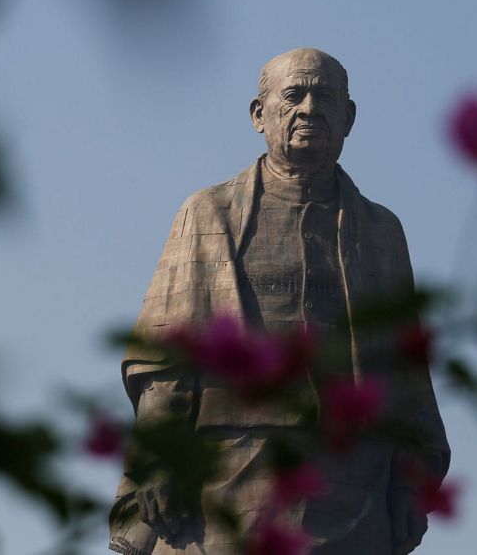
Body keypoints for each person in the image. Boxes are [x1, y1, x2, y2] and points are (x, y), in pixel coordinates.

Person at [109, 48, 449, 555]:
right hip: (225, 475)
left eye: (326, 97)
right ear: (258, 113)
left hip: (350, 478)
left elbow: (407, 371)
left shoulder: (381, 231)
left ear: (348, 118)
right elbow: (164, 359)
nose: (310, 109)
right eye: (294, 95)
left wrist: (410, 480)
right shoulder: (208, 214)